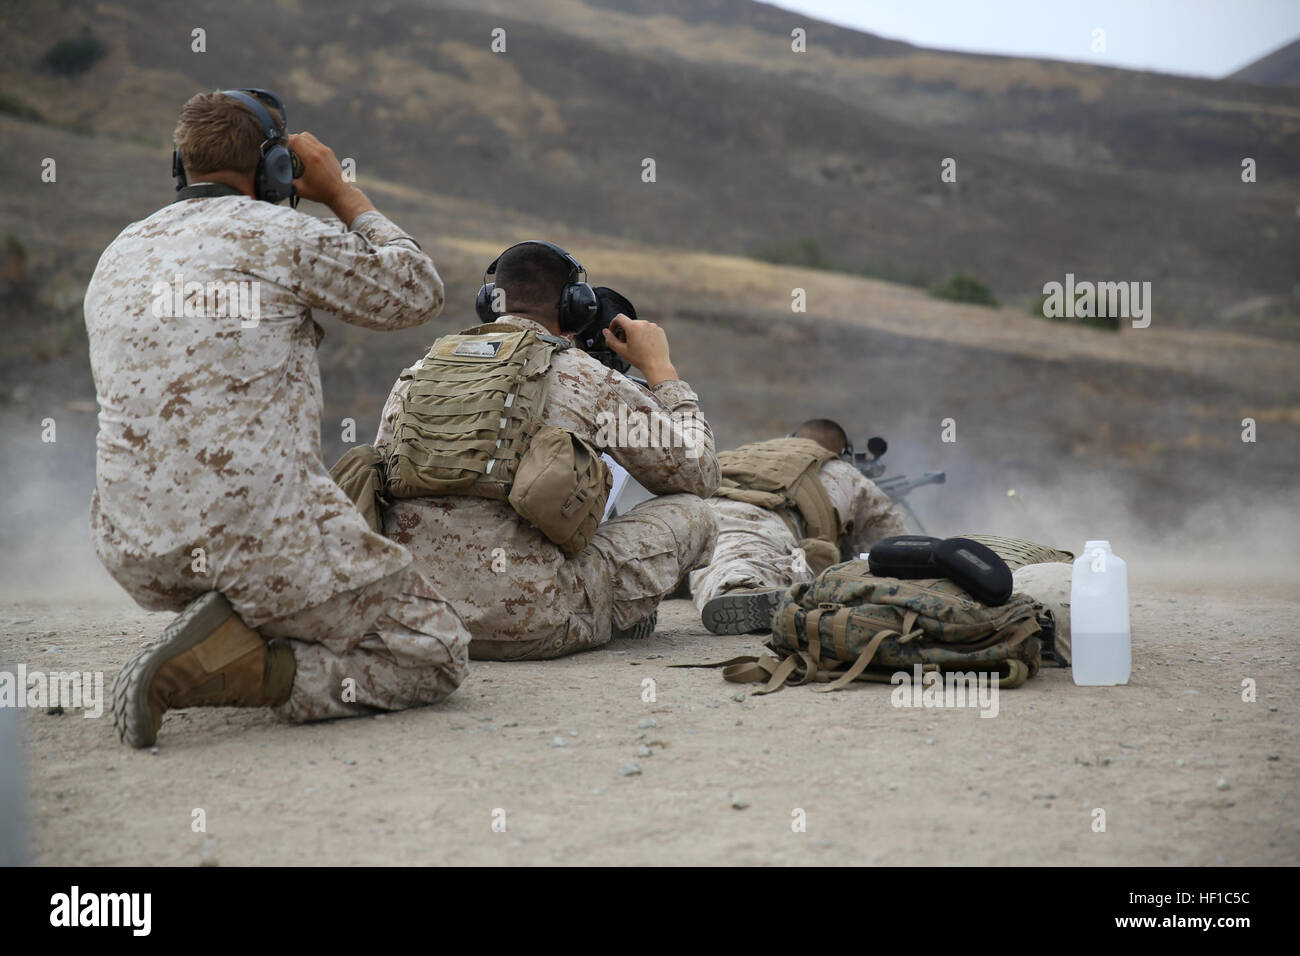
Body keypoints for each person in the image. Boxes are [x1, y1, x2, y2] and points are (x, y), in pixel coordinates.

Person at [89, 89, 470, 748]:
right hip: (256, 537)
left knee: (285, 581)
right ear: (273, 168)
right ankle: (247, 667)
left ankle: (235, 621)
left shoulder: (119, 253)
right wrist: (342, 193)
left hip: (134, 546)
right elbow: (415, 291)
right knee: (433, 650)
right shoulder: (280, 233)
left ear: (182, 167)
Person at [373, 240, 720, 660]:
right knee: (694, 511)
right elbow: (699, 473)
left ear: (490, 303)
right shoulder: (585, 376)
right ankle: (611, 613)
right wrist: (662, 372)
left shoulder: (416, 373)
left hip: (418, 619)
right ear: (575, 307)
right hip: (534, 624)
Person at [690, 418, 907, 633]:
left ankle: (719, 584)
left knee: (711, 560)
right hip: (764, 515)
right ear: (842, 452)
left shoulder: (750, 451)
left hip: (699, 510)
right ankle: (740, 587)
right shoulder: (842, 469)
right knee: (761, 562)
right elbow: (892, 543)